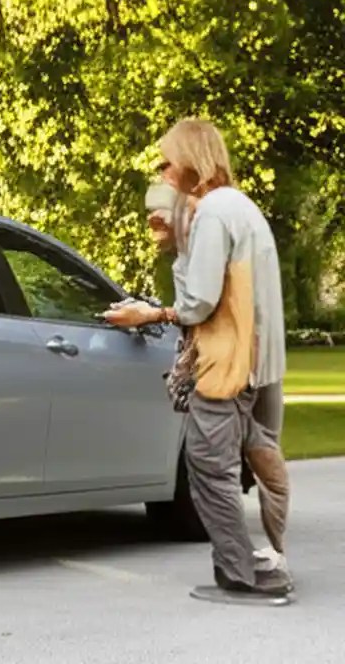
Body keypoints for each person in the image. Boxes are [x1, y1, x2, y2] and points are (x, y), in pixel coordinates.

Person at [104, 118, 291, 597]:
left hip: (226, 363)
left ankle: (242, 574)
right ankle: (265, 563)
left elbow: (199, 303)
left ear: (192, 163)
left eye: (168, 163)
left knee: (209, 466)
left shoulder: (211, 214)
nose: (163, 174)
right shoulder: (240, 207)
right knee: (250, 459)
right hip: (258, 359)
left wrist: (149, 312)